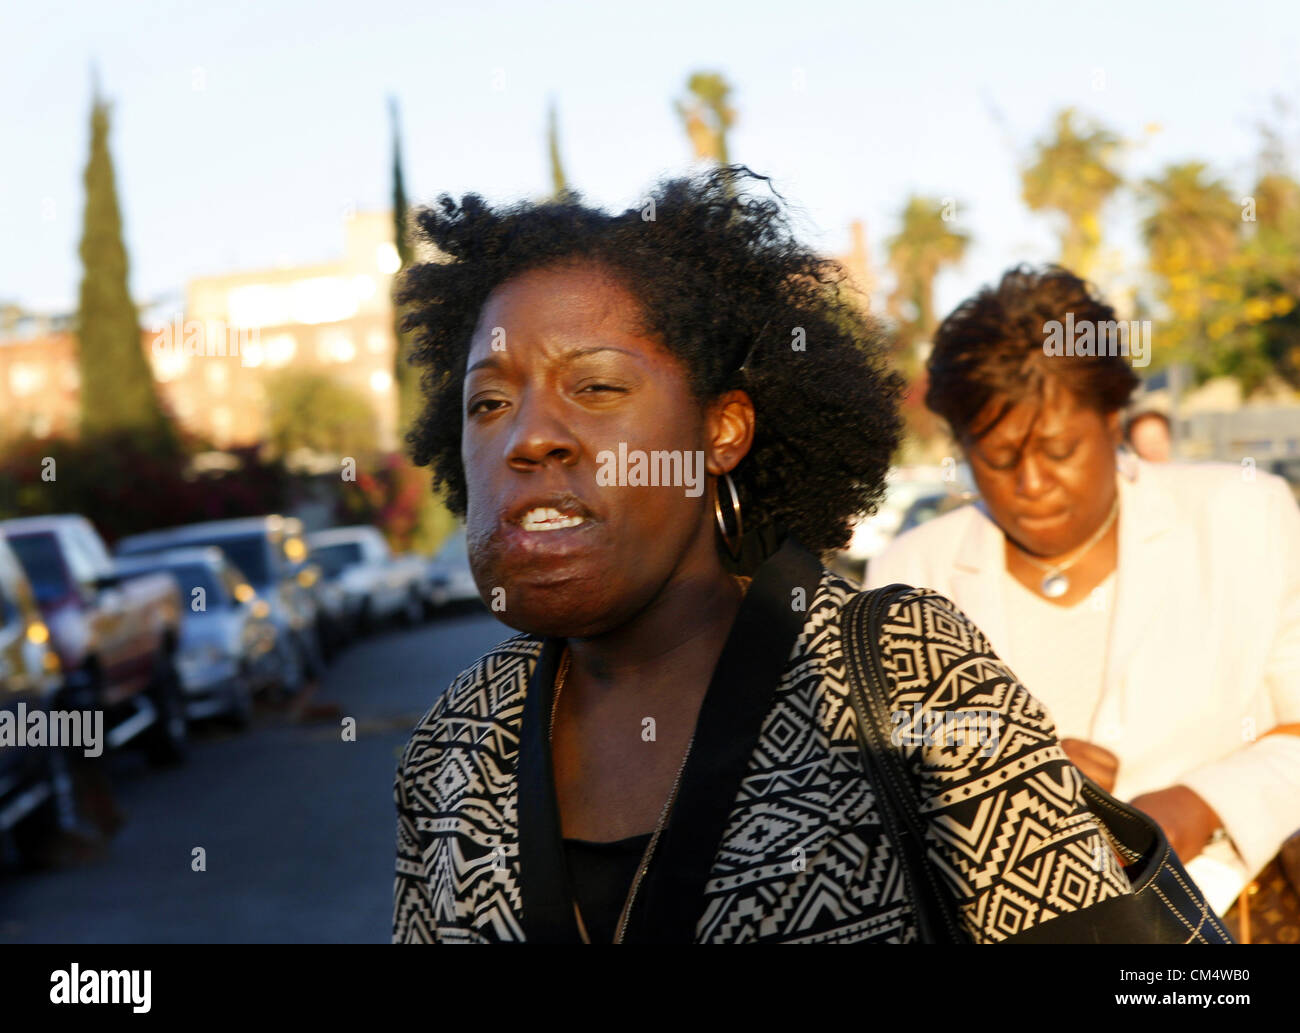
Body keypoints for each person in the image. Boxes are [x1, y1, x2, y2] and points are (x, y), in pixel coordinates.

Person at [390, 170, 1135, 944]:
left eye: (598, 386)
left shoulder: (904, 668)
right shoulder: (459, 737)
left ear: (721, 431)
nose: (528, 436)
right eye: (490, 402)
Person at [868, 265, 1300, 917]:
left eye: (1060, 447)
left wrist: (1199, 801)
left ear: (1113, 416)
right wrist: (1005, 770)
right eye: (1000, 456)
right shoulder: (911, 572)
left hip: (1229, 920)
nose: (1033, 481)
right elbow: (878, 776)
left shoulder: (1243, 516)